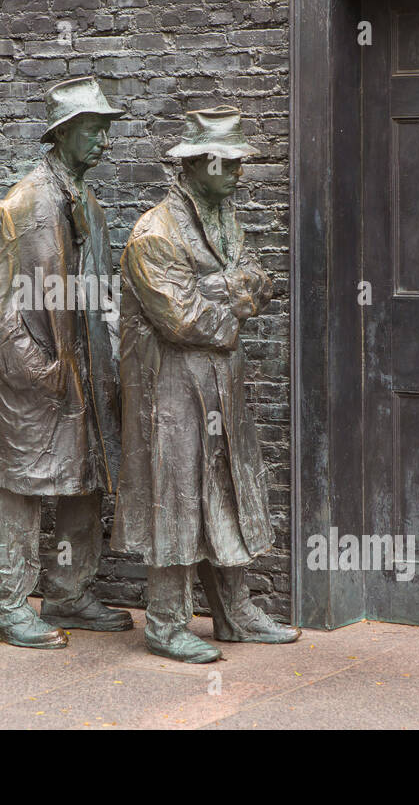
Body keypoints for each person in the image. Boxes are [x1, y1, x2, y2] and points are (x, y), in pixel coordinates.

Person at [113, 105, 301, 662]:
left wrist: (225, 288)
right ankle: (167, 621)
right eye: (226, 162)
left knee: (227, 488)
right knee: (175, 497)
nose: (238, 172)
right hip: (169, 390)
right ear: (194, 165)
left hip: (219, 384)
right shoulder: (154, 234)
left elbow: (259, 283)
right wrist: (231, 293)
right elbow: (185, 319)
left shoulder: (226, 220)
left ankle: (234, 611)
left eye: (239, 161)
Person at [0, 76, 134, 649]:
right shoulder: (21, 206)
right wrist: (38, 370)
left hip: (86, 376)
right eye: (93, 129)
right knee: (22, 489)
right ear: (62, 134)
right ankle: (8, 604)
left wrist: (109, 359)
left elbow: (102, 294)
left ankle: (68, 590)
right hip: (33, 384)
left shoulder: (91, 206)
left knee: (85, 483)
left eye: (106, 130)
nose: (103, 141)